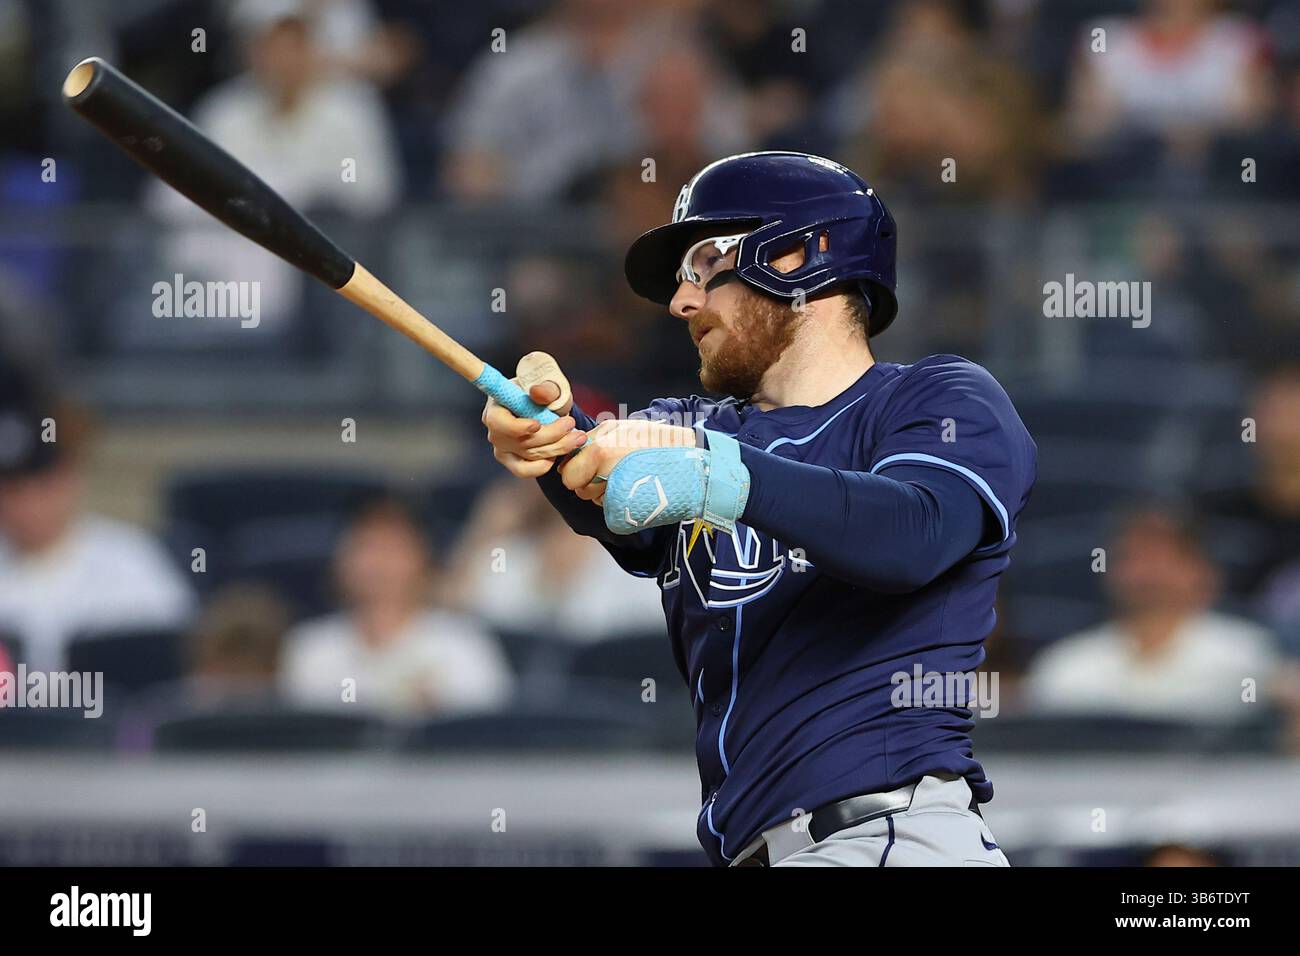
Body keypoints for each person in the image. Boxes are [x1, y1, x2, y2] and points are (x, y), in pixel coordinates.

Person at [481, 151, 1037, 866]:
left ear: (800, 254)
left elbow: (916, 534)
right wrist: (542, 432)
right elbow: (604, 480)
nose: (682, 304)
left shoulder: (936, 400)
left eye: (704, 265)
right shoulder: (702, 425)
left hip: (886, 834)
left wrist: (715, 475)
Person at [0, 392, 195, 672]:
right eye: (12, 489)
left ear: (71, 479)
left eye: (42, 486)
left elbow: (173, 668)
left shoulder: (131, 561)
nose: (27, 506)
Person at [1024, 507, 1277, 721]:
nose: (1147, 573)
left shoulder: (1248, 657)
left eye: (1163, 557)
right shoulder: (1067, 667)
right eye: (1133, 557)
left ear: (1204, 572)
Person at [280, 495, 512, 717]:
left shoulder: (463, 646)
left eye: (392, 550)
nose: (378, 565)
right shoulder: (310, 649)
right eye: (366, 547)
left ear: (423, 559)